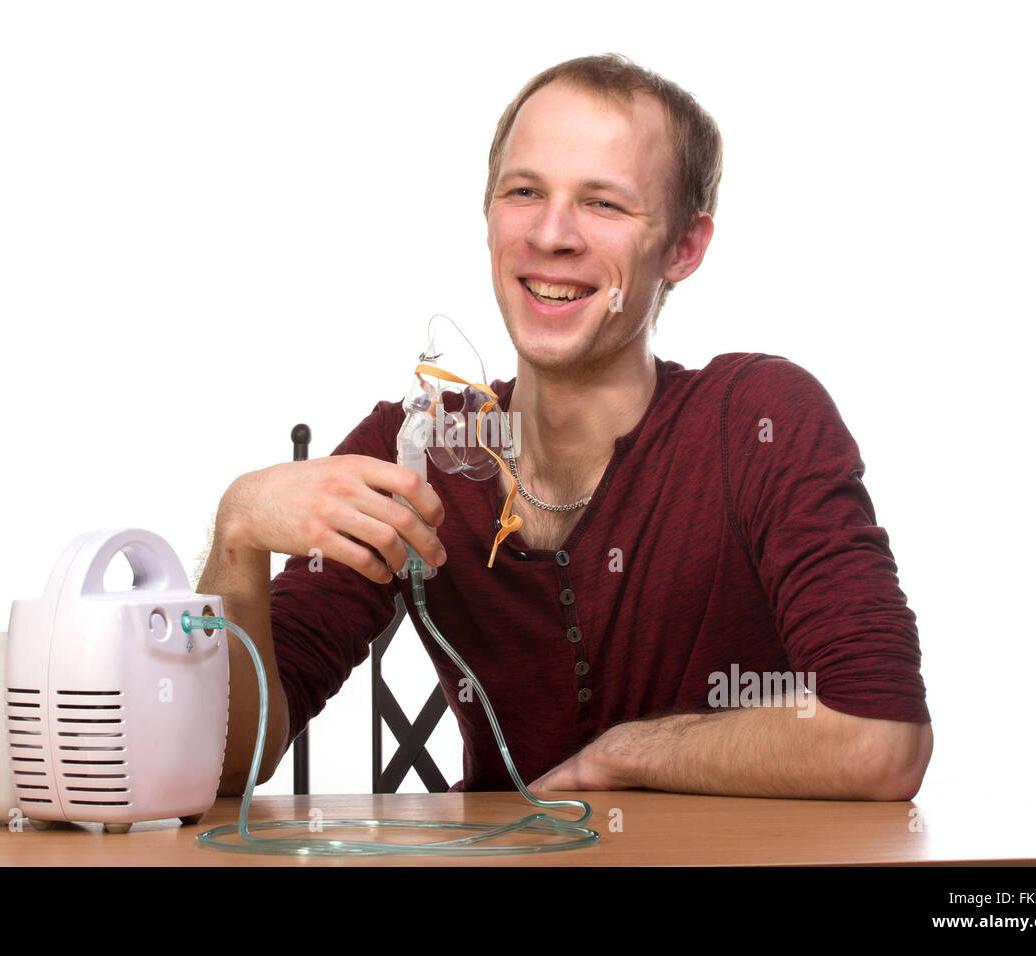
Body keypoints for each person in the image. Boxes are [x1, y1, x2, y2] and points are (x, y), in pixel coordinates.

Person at [197, 54, 933, 800]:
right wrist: (239, 535)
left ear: (685, 246)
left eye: (604, 204)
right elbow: (229, 761)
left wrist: (624, 755)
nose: (551, 235)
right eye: (524, 192)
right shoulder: (417, 450)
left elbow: (879, 741)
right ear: (488, 217)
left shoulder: (759, 419)